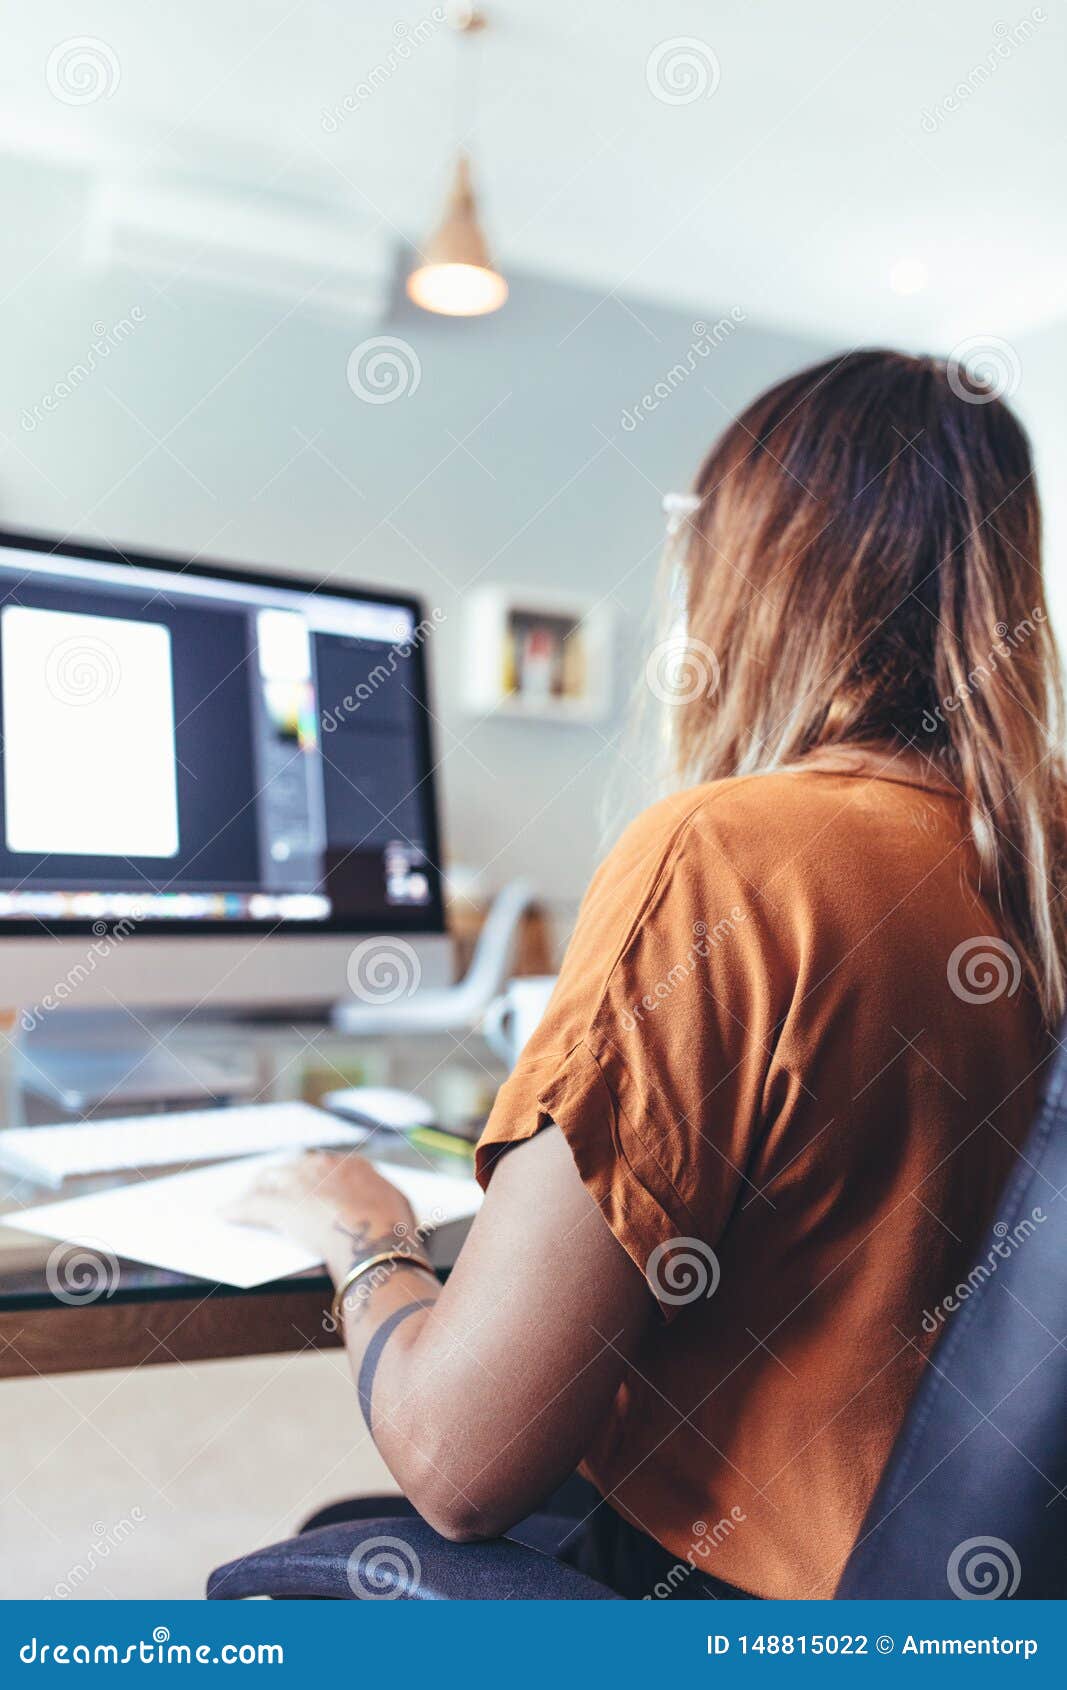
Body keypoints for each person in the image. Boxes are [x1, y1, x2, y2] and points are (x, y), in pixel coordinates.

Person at [232, 350, 1064, 1600]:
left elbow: (460, 1458)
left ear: (748, 578)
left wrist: (366, 1232)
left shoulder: (730, 854)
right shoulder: (1038, 855)